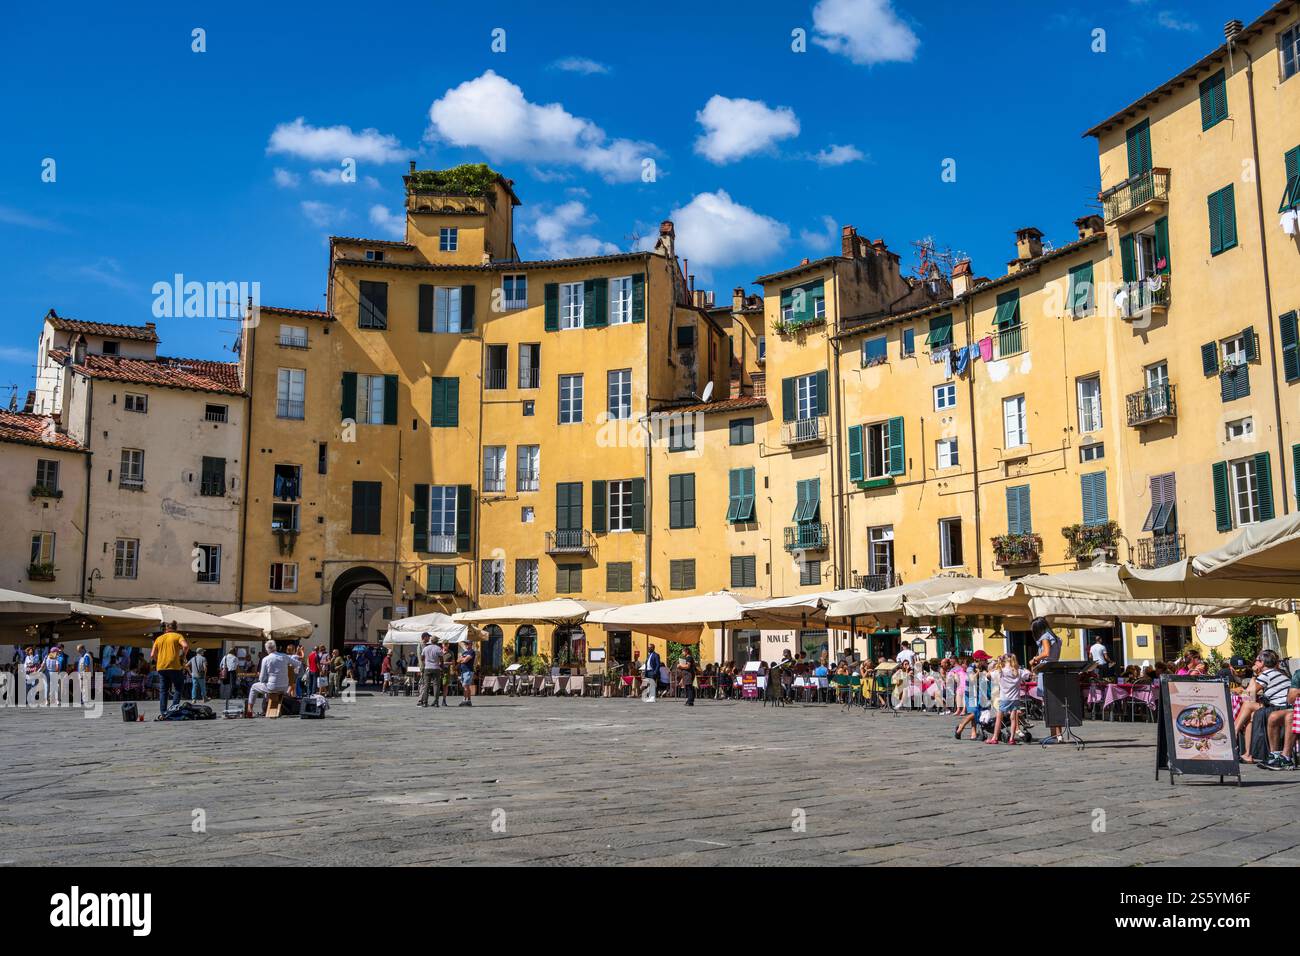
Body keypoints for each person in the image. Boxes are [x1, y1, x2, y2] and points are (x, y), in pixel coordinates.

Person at [1028, 617, 1063, 741]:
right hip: (1055, 670)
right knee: (1054, 703)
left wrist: (1035, 659)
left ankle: (1055, 734)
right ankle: (1057, 734)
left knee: (1048, 704)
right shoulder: (1056, 638)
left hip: (1046, 670)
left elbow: (1046, 653)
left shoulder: (1044, 637)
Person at [247, 639, 303, 715]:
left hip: (272, 687)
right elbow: (298, 664)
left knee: (254, 687)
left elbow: (262, 678)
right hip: (284, 687)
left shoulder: (265, 659)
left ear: (267, 650)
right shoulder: (284, 656)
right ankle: (268, 708)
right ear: (275, 647)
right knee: (268, 688)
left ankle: (250, 709)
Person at [988, 654, 1031, 745]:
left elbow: (988, 674)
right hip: (1015, 698)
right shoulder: (1018, 671)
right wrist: (1019, 667)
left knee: (999, 718)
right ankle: (1012, 738)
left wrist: (997, 664)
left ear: (1004, 661)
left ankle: (995, 737)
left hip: (1004, 698)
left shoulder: (1001, 671)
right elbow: (1028, 674)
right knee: (1013, 718)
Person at [150, 622, 189, 714]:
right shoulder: (178, 636)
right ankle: (173, 709)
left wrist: (158, 660)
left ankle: (163, 712)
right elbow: (185, 646)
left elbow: (152, 655)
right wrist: (183, 656)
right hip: (174, 666)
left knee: (163, 690)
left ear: (166, 629)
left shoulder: (159, 639)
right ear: (175, 628)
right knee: (178, 688)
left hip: (161, 667)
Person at [418, 633, 445, 708]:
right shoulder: (438, 648)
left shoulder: (426, 648)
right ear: (436, 641)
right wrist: (441, 667)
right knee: (436, 685)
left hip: (427, 668)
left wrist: (426, 663)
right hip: (436, 668)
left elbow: (422, 658)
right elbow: (441, 660)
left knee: (426, 685)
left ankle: (425, 702)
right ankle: (436, 702)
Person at [457, 641, 476, 707]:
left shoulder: (472, 652)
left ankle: (464, 700)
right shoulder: (464, 652)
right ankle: (469, 701)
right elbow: (458, 660)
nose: (466, 645)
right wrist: (462, 659)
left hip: (468, 671)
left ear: (471, 644)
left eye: (467, 644)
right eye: (465, 644)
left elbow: (465, 660)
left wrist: (462, 659)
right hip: (463, 671)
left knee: (465, 685)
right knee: (466, 686)